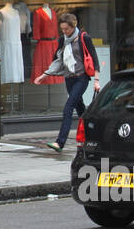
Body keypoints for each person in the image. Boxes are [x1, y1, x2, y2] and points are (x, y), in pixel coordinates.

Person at [34, 12, 100, 152]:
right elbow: (58, 60)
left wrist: (97, 80)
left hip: (81, 78)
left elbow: (94, 58)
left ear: (73, 26)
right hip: (69, 79)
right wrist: (44, 75)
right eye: (62, 29)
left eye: (67, 29)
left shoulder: (84, 38)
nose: (64, 31)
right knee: (81, 109)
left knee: (68, 108)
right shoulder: (62, 40)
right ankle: (94, 133)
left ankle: (60, 142)